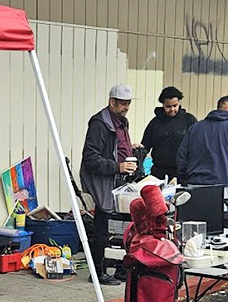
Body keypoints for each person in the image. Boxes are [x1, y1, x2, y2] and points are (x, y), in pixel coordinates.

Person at [80, 84, 138, 286]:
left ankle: (121, 268)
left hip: (117, 178)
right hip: (105, 180)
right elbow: (90, 159)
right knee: (102, 227)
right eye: (122, 103)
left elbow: (116, 147)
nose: (126, 107)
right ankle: (97, 272)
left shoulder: (122, 122)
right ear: (111, 102)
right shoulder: (99, 123)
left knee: (124, 226)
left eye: (128, 103)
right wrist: (119, 166)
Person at [177, 95, 228, 200]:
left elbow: (182, 155)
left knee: (196, 215)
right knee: (221, 215)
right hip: (224, 184)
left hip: (195, 183)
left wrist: (183, 178)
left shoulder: (195, 127)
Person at [140, 86, 197, 180]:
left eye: (175, 106)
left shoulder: (189, 120)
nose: (172, 109)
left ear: (179, 103)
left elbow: (198, 145)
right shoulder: (155, 123)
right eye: (168, 106)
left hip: (183, 173)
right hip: (159, 172)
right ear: (163, 105)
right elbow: (145, 146)